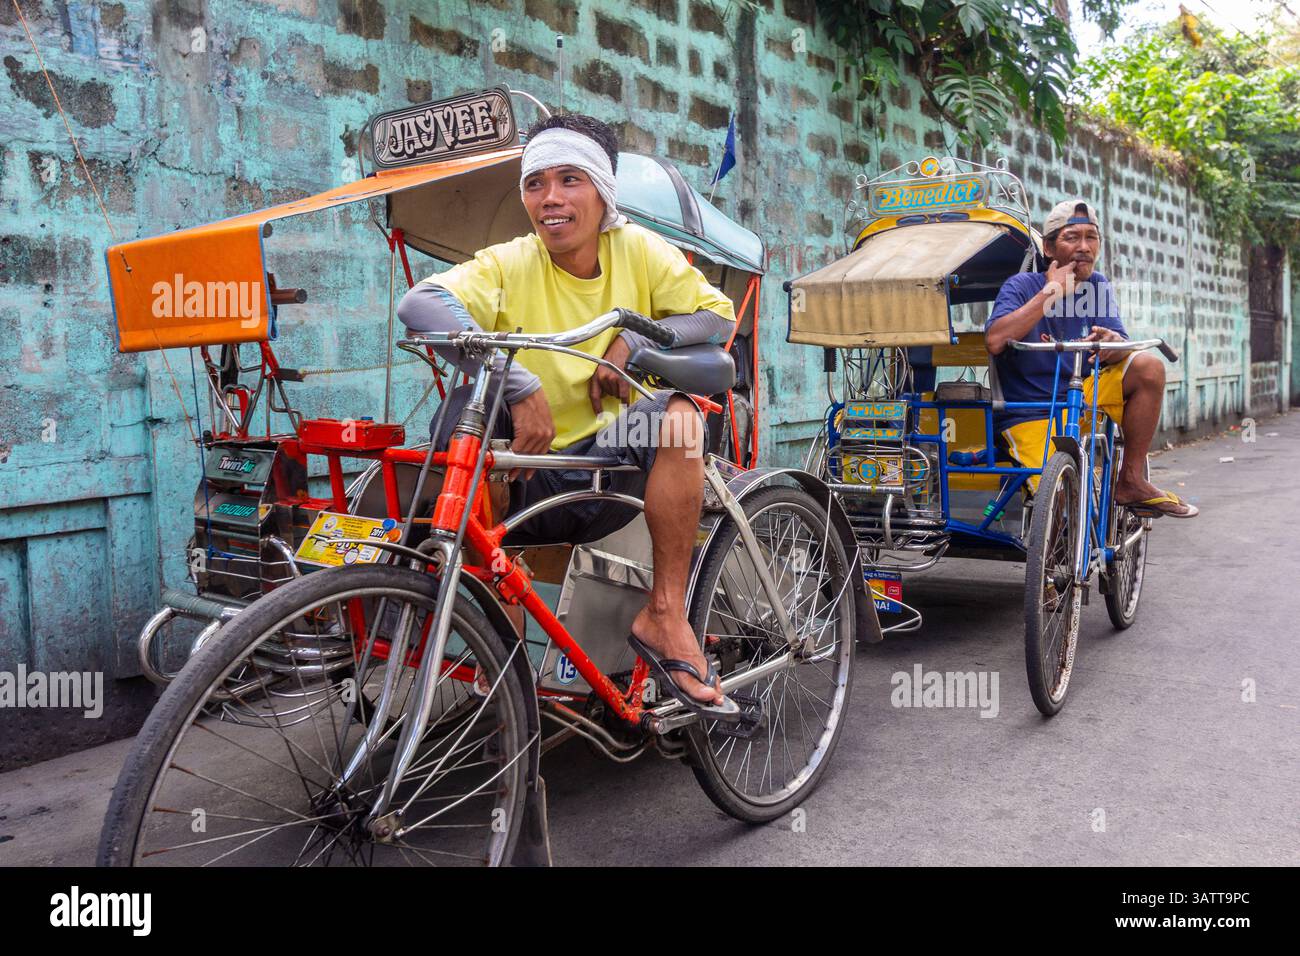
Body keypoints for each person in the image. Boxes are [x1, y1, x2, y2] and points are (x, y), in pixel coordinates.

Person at [396, 112, 743, 716]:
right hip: (521, 474)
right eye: (535, 184)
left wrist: (636, 339)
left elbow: (716, 316)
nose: (549, 199)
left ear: (603, 192)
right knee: (466, 415)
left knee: (681, 417)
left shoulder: (637, 249)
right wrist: (514, 379)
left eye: (569, 180)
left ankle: (665, 614)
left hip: (607, 467)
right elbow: (422, 301)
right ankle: (503, 654)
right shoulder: (510, 261)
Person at [985, 199, 1198, 517]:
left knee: (1149, 368)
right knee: (1060, 505)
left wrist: (1114, 343)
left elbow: (1118, 345)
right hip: (1030, 413)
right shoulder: (1022, 285)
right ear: (1049, 248)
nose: (1084, 247)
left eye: (1091, 237)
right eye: (1072, 238)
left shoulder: (1097, 286)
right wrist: (1050, 293)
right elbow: (995, 340)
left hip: (1083, 401)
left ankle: (1131, 479)